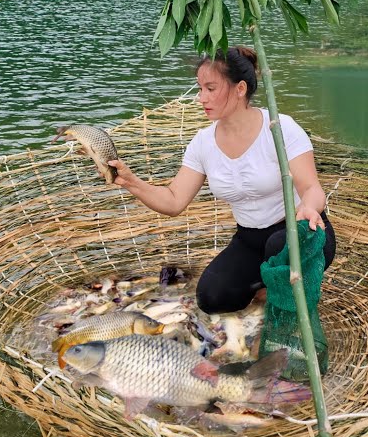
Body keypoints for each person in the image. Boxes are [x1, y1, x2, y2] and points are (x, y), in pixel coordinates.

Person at [108, 46, 335, 314]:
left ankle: (288, 283)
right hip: (250, 238)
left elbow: (311, 188)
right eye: (200, 88)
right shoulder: (203, 143)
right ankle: (265, 284)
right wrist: (130, 181)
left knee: (279, 247)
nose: (201, 98)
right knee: (212, 297)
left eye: (211, 89)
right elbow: (173, 201)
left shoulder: (280, 128)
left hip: (299, 232)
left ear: (240, 89)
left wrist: (308, 208)